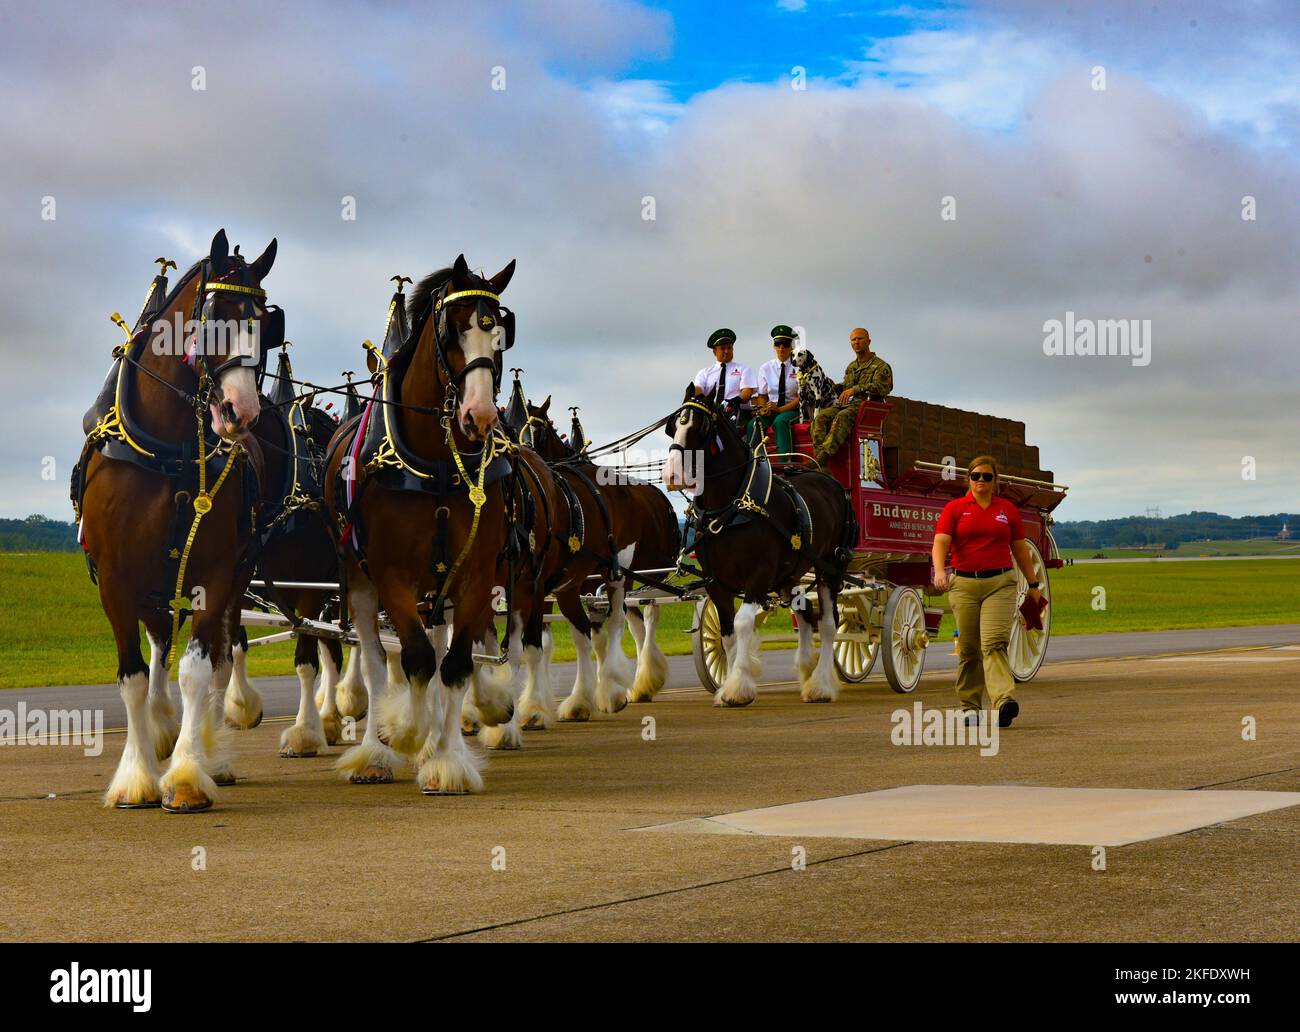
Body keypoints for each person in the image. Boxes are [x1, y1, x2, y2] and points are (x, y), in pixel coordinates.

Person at [930, 456, 1046, 728]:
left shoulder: (1007, 510)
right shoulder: (955, 509)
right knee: (970, 649)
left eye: (987, 476)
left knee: (994, 643)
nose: (981, 481)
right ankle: (970, 706)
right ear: (968, 479)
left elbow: (1019, 549)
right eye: (976, 476)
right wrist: (939, 571)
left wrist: (1033, 585)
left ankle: (1003, 700)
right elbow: (941, 542)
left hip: (1000, 584)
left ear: (995, 481)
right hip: (964, 586)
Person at [810, 327, 892, 466]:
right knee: (820, 417)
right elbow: (847, 386)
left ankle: (824, 454)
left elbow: (883, 387)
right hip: (846, 404)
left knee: (842, 416)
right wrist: (835, 387)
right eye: (853, 340)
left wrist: (855, 389)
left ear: (869, 341)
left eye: (860, 339)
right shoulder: (851, 367)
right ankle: (818, 458)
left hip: (866, 406)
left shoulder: (880, 366)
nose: (856, 342)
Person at [754, 325, 800, 454]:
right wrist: (763, 409)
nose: (781, 348)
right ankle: (756, 460)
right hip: (772, 409)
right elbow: (762, 396)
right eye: (778, 344)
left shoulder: (799, 366)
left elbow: (801, 398)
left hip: (793, 409)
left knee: (780, 421)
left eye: (785, 344)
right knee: (754, 424)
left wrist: (780, 409)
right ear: (773, 346)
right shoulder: (765, 368)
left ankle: (785, 462)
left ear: (792, 346)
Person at [693, 327, 756, 420]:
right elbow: (697, 390)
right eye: (722, 348)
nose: (726, 351)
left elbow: (747, 392)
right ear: (714, 351)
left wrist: (734, 401)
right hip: (709, 413)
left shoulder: (744, 369)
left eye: (729, 348)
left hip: (735, 412)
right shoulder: (704, 373)